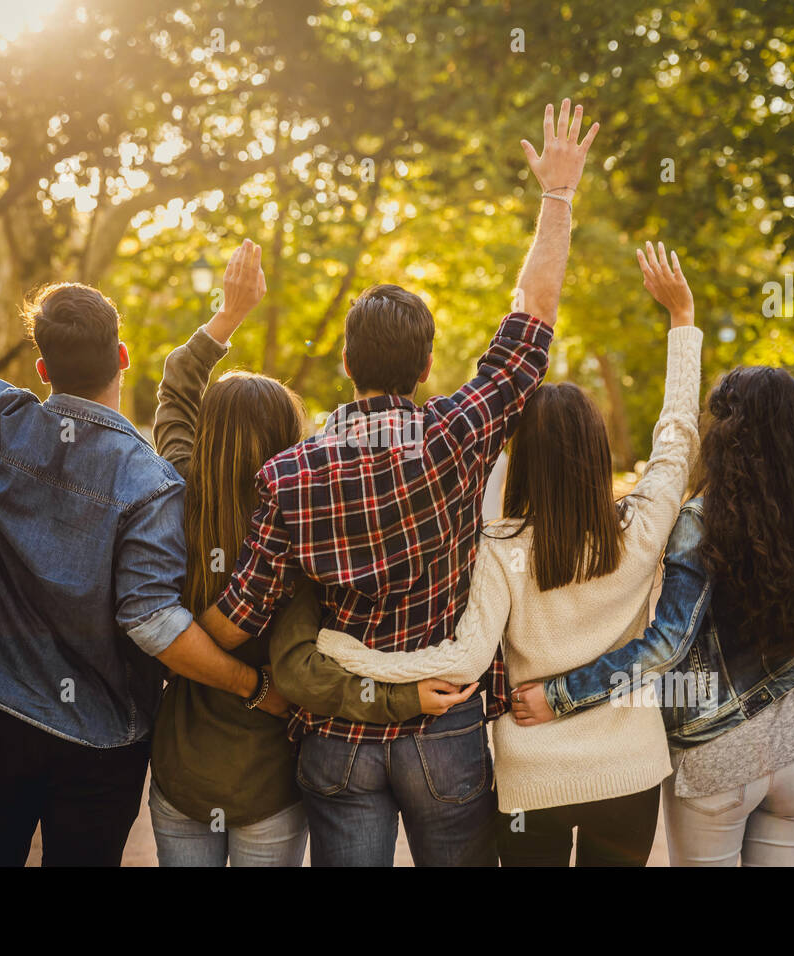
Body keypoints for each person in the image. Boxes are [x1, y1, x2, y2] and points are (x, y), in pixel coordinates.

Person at [0, 146, 287, 868]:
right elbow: (150, 619)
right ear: (125, 356)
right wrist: (253, 684)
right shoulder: (151, 483)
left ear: (43, 368)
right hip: (102, 744)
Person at [195, 100, 599, 866]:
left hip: (338, 741)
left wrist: (166, 642)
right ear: (423, 368)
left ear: (347, 365)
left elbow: (239, 616)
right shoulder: (459, 432)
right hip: (443, 733)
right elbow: (534, 313)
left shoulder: (289, 477)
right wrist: (558, 195)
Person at [509, 219, 794, 867]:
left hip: (720, 757)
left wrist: (560, 694)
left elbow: (664, 645)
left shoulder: (699, 518)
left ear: (724, 433)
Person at [318, 242, 704, 866]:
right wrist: (681, 321)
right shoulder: (641, 528)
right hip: (629, 772)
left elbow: (463, 660)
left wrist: (345, 651)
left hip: (533, 777)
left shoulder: (498, 545)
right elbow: (678, 433)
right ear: (598, 452)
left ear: (522, 457)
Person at [146, 241, 464, 864]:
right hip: (267, 778)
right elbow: (300, 669)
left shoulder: (178, 488)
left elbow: (177, 386)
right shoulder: (303, 524)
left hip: (181, 769)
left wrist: (229, 315)